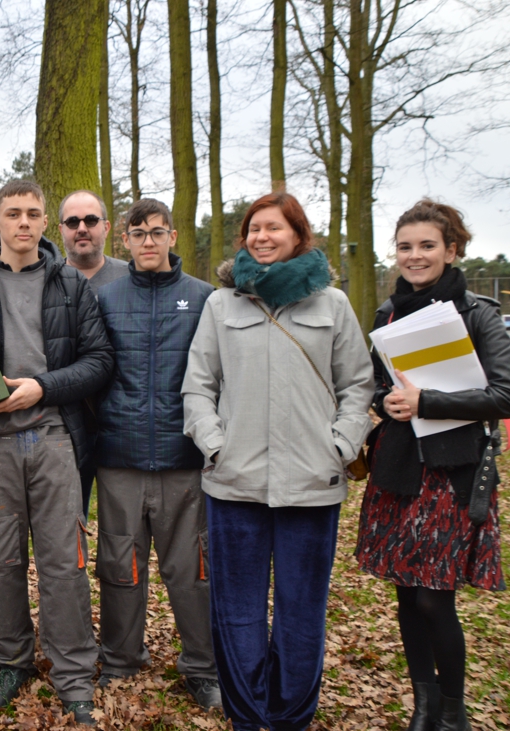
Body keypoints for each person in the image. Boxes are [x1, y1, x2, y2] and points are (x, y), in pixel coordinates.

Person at [181, 192, 374, 731]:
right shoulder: (223, 305)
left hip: (312, 485)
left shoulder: (332, 304)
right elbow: (198, 386)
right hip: (234, 482)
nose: (262, 238)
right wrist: (215, 443)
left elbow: (358, 384)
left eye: (274, 229)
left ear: (298, 236)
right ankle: (247, 715)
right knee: (237, 612)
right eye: (253, 230)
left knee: (301, 612)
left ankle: (291, 716)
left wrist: (339, 445)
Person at [0, 179, 114, 726]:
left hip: (55, 439)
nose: (24, 223)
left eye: (34, 213)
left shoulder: (71, 286)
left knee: (63, 564)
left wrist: (44, 387)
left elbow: (100, 360)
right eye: (14, 213)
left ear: (45, 224)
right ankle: (11, 663)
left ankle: (74, 673)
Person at [355, 199, 509, 731]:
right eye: (405, 247)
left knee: (433, 599)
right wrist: (387, 401)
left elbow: (503, 393)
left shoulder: (478, 312)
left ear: (452, 249)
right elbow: (379, 384)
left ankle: (453, 709)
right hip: (399, 469)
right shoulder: (387, 313)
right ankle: (422, 707)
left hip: (451, 472)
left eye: (426, 246)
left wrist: (428, 402)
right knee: (404, 593)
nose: (414, 256)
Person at [94, 198, 220, 709]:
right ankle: (122, 659)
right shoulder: (103, 297)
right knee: (120, 566)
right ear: (124, 239)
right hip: (119, 456)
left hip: (183, 458)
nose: (148, 240)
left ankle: (203, 667)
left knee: (191, 571)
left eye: (157, 231)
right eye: (138, 232)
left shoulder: (205, 298)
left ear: (173, 237)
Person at [59, 189, 130, 515]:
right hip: (67, 424)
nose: (82, 228)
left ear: (107, 226)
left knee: (125, 529)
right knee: (70, 522)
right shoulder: (46, 280)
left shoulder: (133, 279)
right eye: (72, 221)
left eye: (90, 220)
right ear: (60, 228)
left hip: (125, 422)